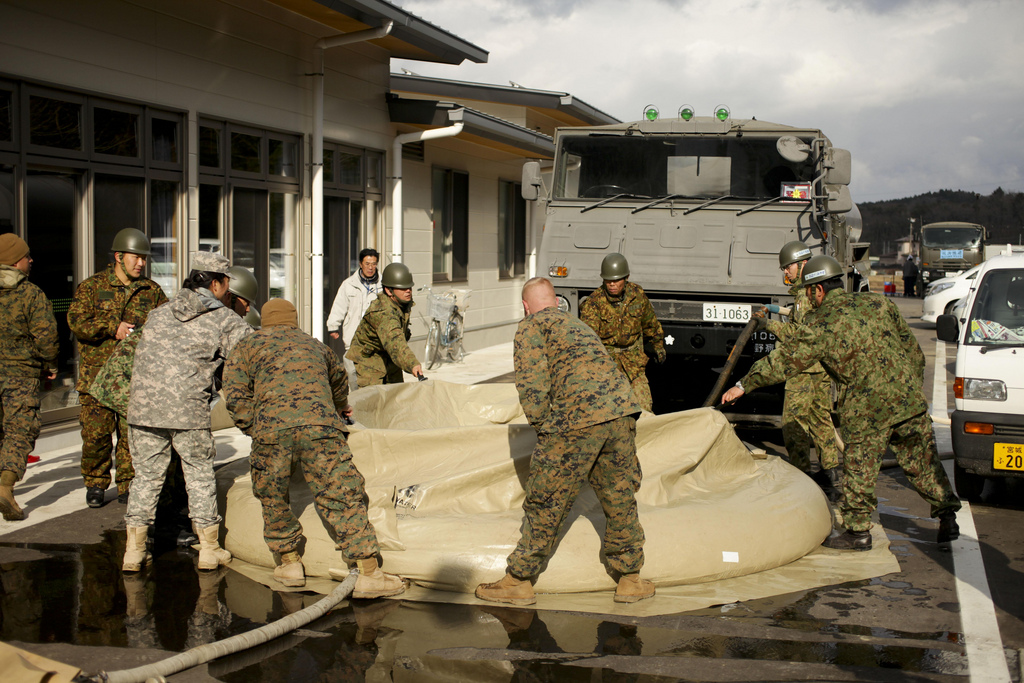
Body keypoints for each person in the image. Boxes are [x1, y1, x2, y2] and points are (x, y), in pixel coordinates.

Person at [722, 255, 961, 551]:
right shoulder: (880, 304)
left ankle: (858, 532)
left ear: (817, 290)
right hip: (908, 399)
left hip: (867, 407)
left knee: (859, 469)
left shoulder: (821, 323)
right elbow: (913, 351)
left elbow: (785, 359)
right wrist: (909, 386)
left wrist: (743, 385)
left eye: (810, 291)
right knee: (923, 461)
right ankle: (947, 514)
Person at [475, 277, 652, 605]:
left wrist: (544, 430)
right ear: (556, 301)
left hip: (576, 417)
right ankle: (630, 579)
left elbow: (531, 383)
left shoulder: (530, 326)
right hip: (620, 411)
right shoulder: (579, 325)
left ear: (525, 307)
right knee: (619, 495)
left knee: (545, 500)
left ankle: (519, 580)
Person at [223, 299, 406, 598]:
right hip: (321, 425)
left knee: (273, 495)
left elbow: (234, 393)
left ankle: (289, 563)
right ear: (294, 320)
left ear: (265, 321)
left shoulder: (246, 346)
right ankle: (369, 571)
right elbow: (339, 381)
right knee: (342, 493)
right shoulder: (315, 345)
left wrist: (254, 428)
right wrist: (337, 408)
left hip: (271, 429)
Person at [122, 251, 253, 573]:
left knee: (146, 480)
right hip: (186, 412)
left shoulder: (159, 313)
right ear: (219, 284)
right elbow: (250, 358)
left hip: (142, 411)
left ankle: (133, 553)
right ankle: (209, 549)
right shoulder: (224, 319)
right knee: (199, 478)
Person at [68, 228, 168, 508]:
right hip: (96, 380)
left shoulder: (152, 291)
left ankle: (127, 485)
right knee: (95, 436)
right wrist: (112, 327)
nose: (141, 264)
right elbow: (76, 322)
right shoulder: (91, 287)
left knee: (130, 438)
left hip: (132, 381)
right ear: (119, 257)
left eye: (144, 259)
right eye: (136, 258)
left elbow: (166, 327)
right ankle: (96, 483)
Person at [769, 241, 842, 500]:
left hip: (804, 369)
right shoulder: (813, 293)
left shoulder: (803, 296)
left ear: (801, 265)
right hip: (821, 368)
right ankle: (832, 474)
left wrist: (767, 325)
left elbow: (797, 334)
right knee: (821, 420)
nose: (785, 273)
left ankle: (800, 476)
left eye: (787, 267)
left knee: (793, 423)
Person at [0, 235, 59, 521]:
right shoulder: (31, 294)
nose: (31, 260)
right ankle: (5, 486)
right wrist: (50, 364)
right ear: (14, 261)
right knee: (18, 430)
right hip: (20, 374)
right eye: (27, 256)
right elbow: (46, 337)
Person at [579, 253, 665, 412]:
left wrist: (658, 345)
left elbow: (650, 323)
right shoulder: (594, 303)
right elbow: (588, 340)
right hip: (607, 366)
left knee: (644, 407)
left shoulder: (637, 295)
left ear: (626, 278)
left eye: (616, 280)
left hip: (634, 363)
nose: (612, 284)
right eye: (608, 281)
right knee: (611, 411)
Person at [345, 262, 423, 387]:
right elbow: (395, 342)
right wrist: (412, 364)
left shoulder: (402, 302)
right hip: (369, 360)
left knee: (395, 397)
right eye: (403, 288)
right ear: (389, 290)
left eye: (409, 287)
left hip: (390, 357)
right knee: (372, 402)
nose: (408, 291)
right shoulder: (383, 312)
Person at [327, 249, 382, 388]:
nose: (370, 267)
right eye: (367, 263)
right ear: (360, 264)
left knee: (373, 377)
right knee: (352, 373)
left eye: (374, 264)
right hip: (353, 338)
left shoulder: (383, 285)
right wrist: (333, 326)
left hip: (375, 339)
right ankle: (357, 399)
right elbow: (339, 305)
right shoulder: (349, 284)